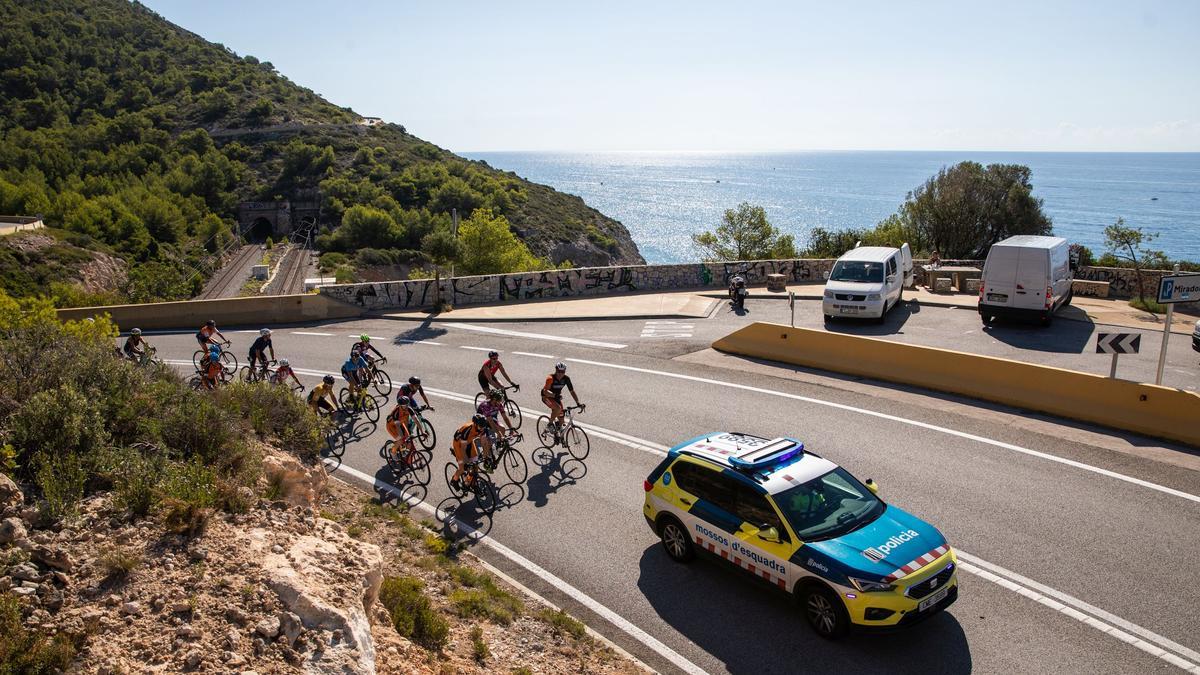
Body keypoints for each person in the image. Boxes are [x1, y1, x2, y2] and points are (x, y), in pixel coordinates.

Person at [449, 414, 491, 491]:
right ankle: (454, 480)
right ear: (475, 424)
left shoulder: (483, 427)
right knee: (462, 468)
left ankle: (471, 483)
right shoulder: (467, 429)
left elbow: (484, 444)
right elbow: (463, 449)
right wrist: (466, 462)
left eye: (483, 427)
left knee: (475, 467)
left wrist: (486, 457)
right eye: (480, 426)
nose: (482, 429)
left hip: (469, 443)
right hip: (459, 445)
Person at [541, 362, 583, 433]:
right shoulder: (550, 378)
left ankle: (557, 435)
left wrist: (578, 403)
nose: (560, 374)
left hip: (556, 398)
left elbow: (572, 391)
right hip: (546, 397)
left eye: (562, 372)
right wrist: (555, 395)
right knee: (558, 408)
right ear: (556, 370)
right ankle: (549, 424)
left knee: (562, 421)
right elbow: (545, 391)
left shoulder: (566, 379)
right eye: (559, 371)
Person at [475, 389, 515, 461]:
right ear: (493, 400)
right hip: (481, 423)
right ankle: (486, 461)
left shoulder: (499, 404)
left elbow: (505, 417)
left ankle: (497, 447)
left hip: (491, 419)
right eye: (499, 400)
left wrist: (512, 429)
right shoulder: (485, 405)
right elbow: (490, 422)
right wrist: (498, 433)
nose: (500, 402)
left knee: (502, 428)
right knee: (488, 443)